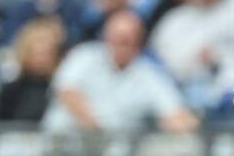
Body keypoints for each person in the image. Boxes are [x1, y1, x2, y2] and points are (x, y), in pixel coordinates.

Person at [41, 9, 197, 135]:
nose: (120, 45)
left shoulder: (148, 73)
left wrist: (182, 124)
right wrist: (97, 131)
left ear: (139, 43)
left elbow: (175, 111)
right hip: (66, 144)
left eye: (127, 40)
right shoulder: (84, 55)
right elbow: (67, 92)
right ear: (106, 36)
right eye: (116, 38)